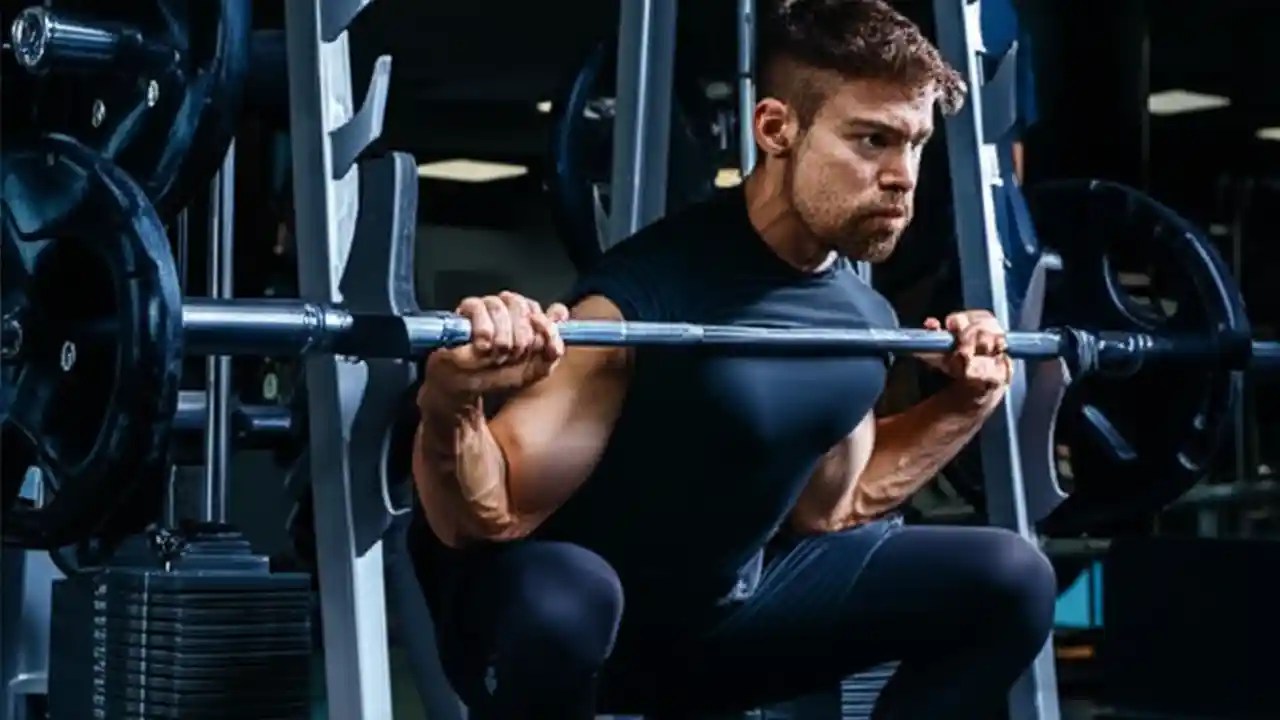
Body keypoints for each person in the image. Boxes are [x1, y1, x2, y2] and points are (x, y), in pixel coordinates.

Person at [408, 1, 1057, 718]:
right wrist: (453, 397)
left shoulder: (862, 323)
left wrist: (964, 402)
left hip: (719, 634)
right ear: (776, 128)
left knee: (1012, 578)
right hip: (565, 641)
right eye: (872, 140)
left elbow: (830, 508)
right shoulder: (641, 298)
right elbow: (490, 515)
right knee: (566, 598)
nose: (902, 176)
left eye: (915, 143)